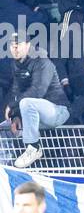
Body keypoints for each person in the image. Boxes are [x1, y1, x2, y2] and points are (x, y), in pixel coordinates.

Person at [5, 33, 70, 168]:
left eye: (19, 45)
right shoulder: (15, 64)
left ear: (28, 45)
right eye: (12, 45)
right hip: (35, 115)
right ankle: (5, 162)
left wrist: (12, 105)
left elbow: (38, 91)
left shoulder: (42, 61)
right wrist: (16, 115)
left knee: (26, 102)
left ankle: (34, 148)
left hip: (57, 110)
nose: (15, 48)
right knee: (6, 126)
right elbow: (16, 90)